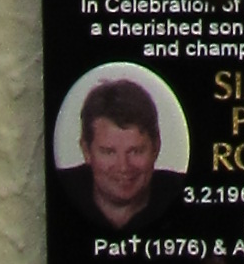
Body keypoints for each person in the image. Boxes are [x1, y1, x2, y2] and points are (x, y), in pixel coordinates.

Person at [57, 76, 182, 234]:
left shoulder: (183, 194)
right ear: (86, 151)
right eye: (108, 152)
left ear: (156, 148)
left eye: (136, 151)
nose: (123, 167)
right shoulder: (55, 194)